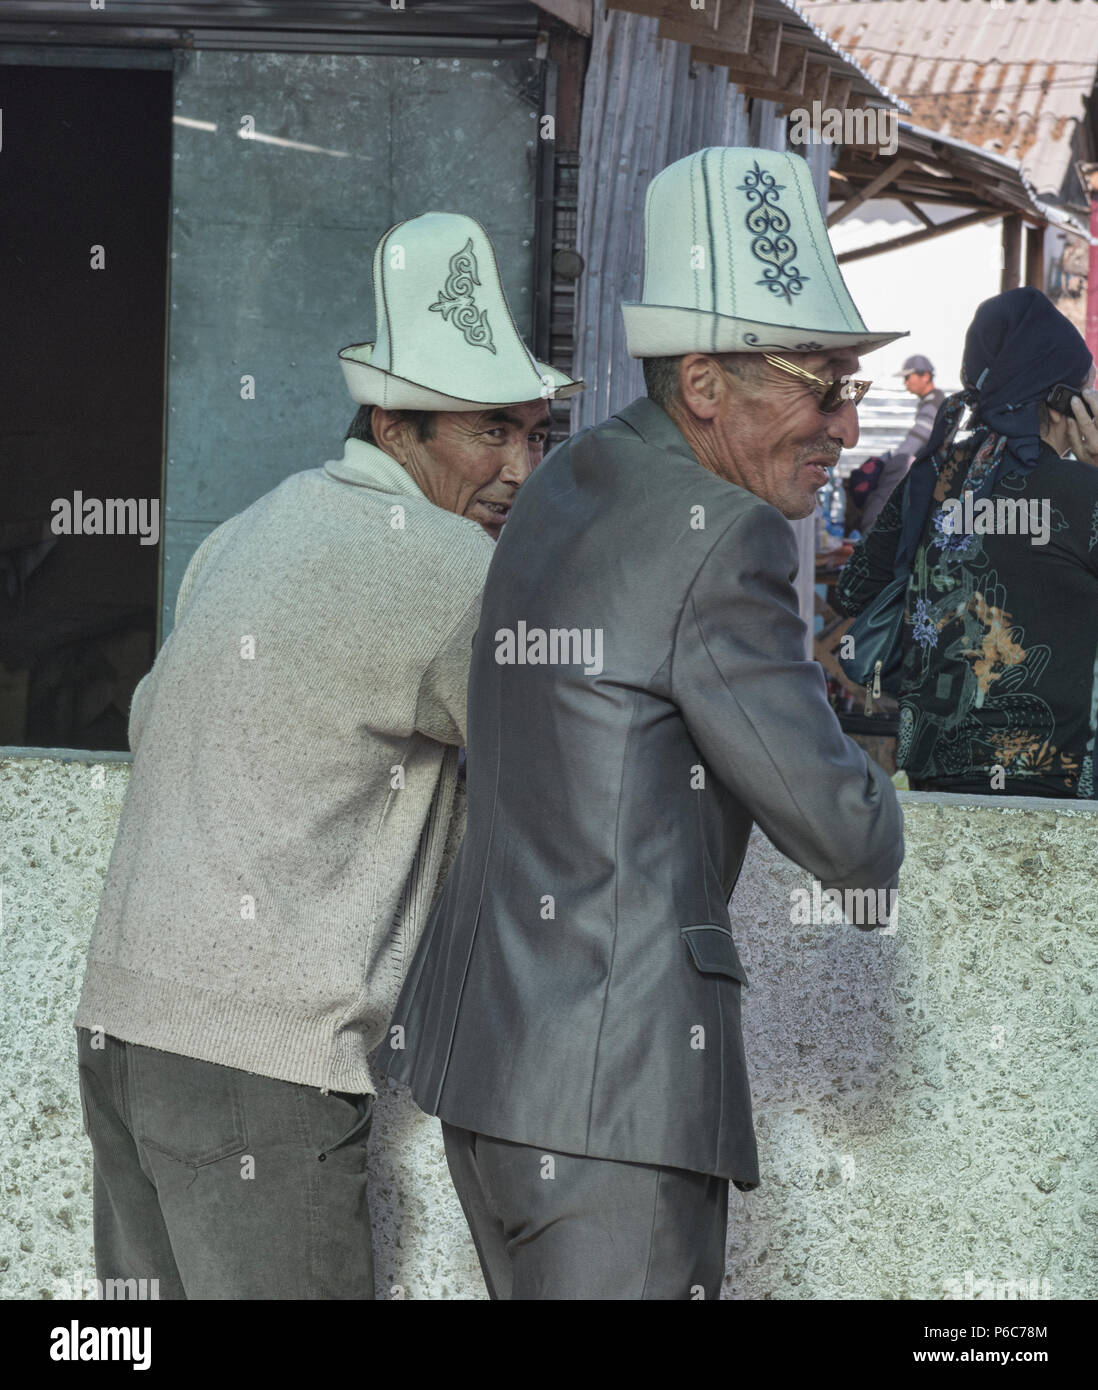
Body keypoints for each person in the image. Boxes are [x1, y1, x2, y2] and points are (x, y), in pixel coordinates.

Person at [379, 148, 905, 1300]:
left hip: (490, 1065)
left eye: (854, 389)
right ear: (708, 385)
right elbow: (849, 839)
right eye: (824, 385)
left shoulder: (569, 479)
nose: (847, 428)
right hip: (612, 1097)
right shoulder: (729, 536)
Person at [73, 211, 582, 1299]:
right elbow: (565, 770)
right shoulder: (452, 570)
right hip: (255, 1062)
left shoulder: (251, 528)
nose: (519, 468)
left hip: (120, 1029)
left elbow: (150, 721)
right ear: (395, 427)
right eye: (487, 432)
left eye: (536, 436)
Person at [836, 287, 1098, 797]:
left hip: (935, 776)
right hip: (1059, 789)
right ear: (1063, 398)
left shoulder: (928, 477)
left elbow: (852, 593)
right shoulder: (1084, 494)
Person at [847, 353, 946, 532]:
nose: (905, 382)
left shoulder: (933, 402)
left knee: (879, 502)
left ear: (925, 376)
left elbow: (918, 438)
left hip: (922, 467)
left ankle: (870, 537)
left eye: (908, 377)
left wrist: (893, 460)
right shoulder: (934, 401)